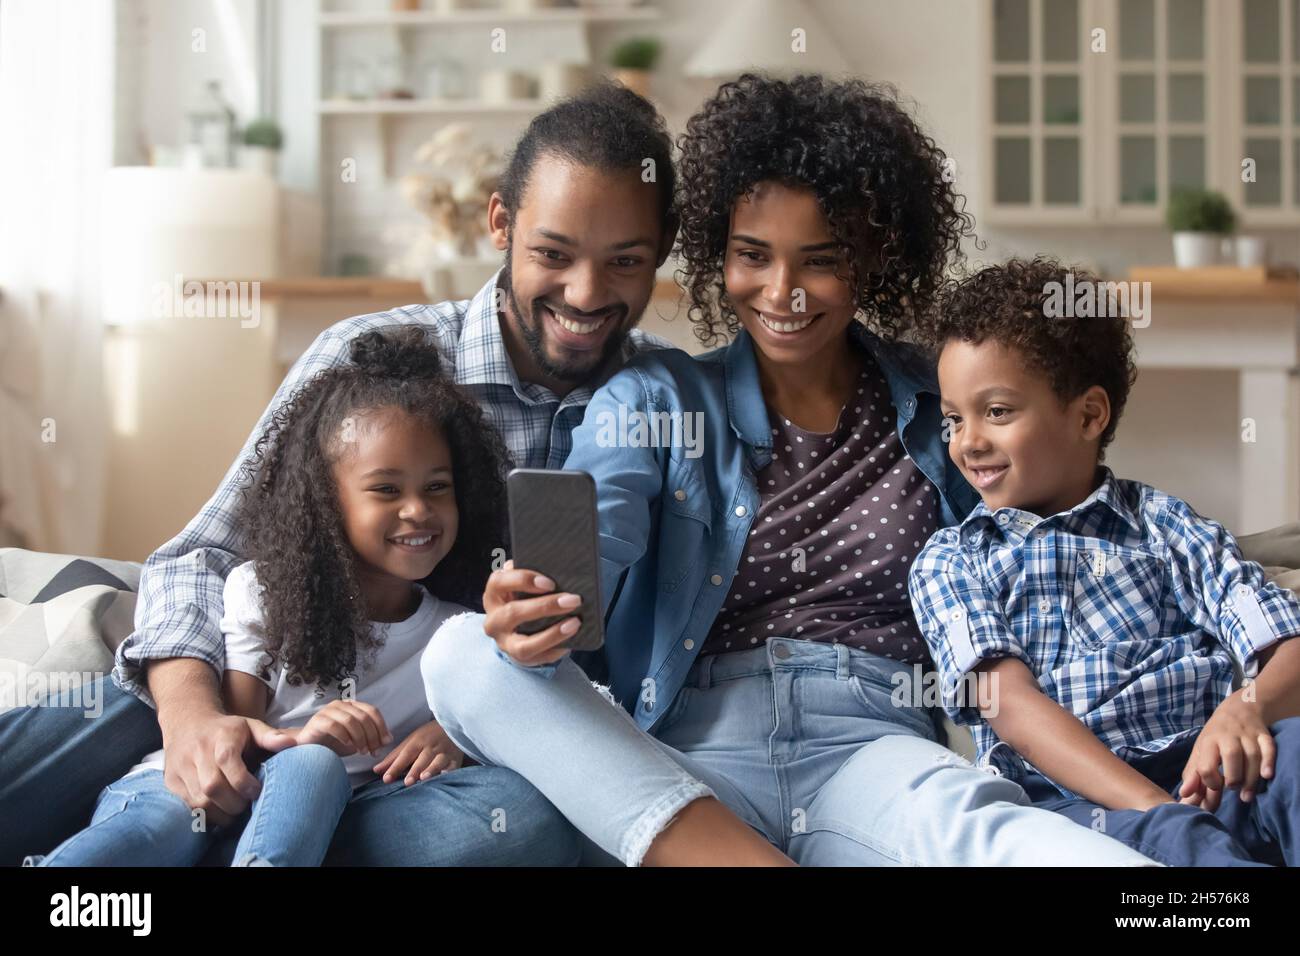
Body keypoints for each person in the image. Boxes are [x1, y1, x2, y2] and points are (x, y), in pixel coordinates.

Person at [422, 74, 1156, 866]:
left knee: (1014, 842)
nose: (781, 293)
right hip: (682, 768)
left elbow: (1052, 536)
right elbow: (597, 532)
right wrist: (537, 602)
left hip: (876, 748)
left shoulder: (942, 401)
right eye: (752, 255)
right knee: (462, 656)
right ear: (717, 254)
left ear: (874, 258)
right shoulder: (655, 396)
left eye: (820, 261)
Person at [0, 81, 677, 866]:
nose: (585, 294)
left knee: (525, 821)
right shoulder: (369, 354)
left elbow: (630, 655)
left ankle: (240, 844)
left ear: (660, 252)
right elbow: (203, 556)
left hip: (402, 759)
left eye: (624, 262)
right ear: (500, 222)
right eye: (552, 254)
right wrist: (192, 720)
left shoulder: (668, 405)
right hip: (258, 691)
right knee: (114, 700)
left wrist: (474, 726)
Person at [27, 330, 514, 865]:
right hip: (196, 789)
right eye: (386, 490)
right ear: (326, 501)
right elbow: (238, 734)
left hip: (306, 821)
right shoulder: (264, 593)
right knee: (192, 812)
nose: (419, 510)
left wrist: (454, 735)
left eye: (437, 487)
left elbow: (499, 719)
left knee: (318, 771)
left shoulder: (459, 634)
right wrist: (311, 736)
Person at [909, 257, 1300, 866]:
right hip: (1081, 798)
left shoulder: (1165, 524)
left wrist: (1241, 711)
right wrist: (1153, 806)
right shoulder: (952, 562)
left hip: (1216, 758)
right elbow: (1010, 708)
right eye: (954, 419)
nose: (969, 441)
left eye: (999, 412)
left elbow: (1283, 642)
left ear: (1089, 415)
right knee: (1184, 853)